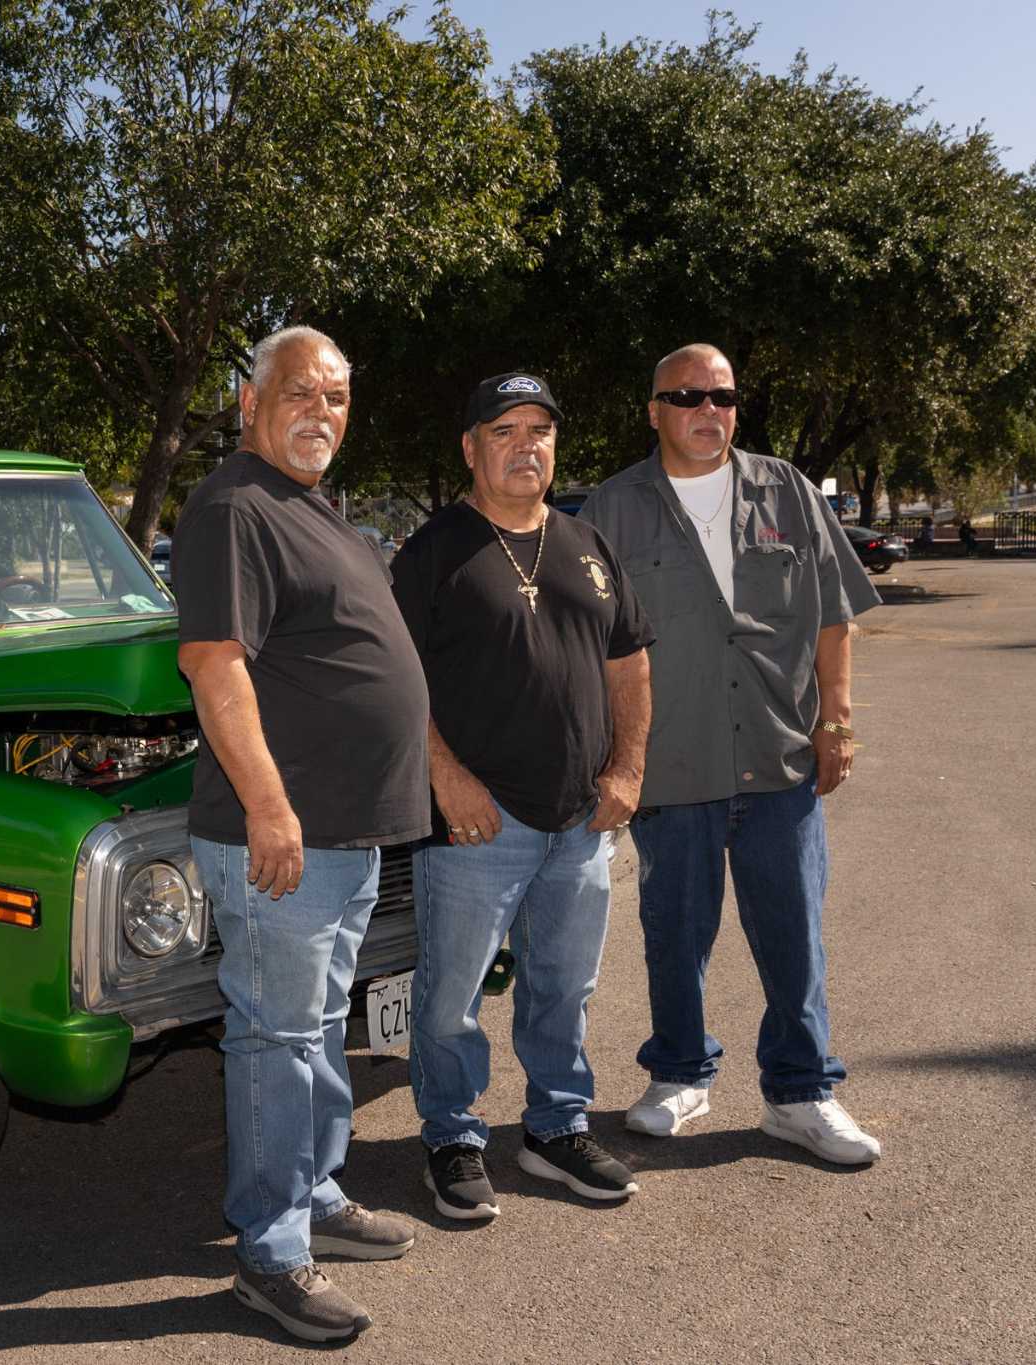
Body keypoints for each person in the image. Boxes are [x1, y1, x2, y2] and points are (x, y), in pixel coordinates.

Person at [173, 326, 430, 1343]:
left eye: (335, 396)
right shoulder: (233, 506)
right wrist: (269, 807)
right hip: (284, 836)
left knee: (318, 1026)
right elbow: (215, 665)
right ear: (250, 402)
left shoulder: (309, 508)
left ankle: (316, 1195)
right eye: (299, 392)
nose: (320, 411)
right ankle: (271, 1253)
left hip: (344, 837)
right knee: (276, 1038)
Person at [580, 343, 884, 1165]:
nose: (706, 410)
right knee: (674, 933)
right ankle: (679, 1074)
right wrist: (611, 760)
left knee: (794, 935)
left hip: (779, 758)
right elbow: (586, 643)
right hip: (670, 765)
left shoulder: (786, 490)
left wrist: (838, 721)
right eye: (685, 397)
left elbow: (834, 615)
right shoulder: (612, 508)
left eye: (721, 395)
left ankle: (801, 1091)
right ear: (655, 411)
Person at [390, 373, 654, 1221]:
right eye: (504, 430)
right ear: (471, 447)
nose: (525, 445)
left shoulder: (585, 543)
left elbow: (629, 663)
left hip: (580, 818)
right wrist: (447, 778)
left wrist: (627, 770)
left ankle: (556, 1126)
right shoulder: (433, 552)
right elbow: (397, 683)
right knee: (451, 996)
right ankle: (451, 1134)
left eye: (539, 429)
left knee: (564, 987)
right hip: (478, 823)